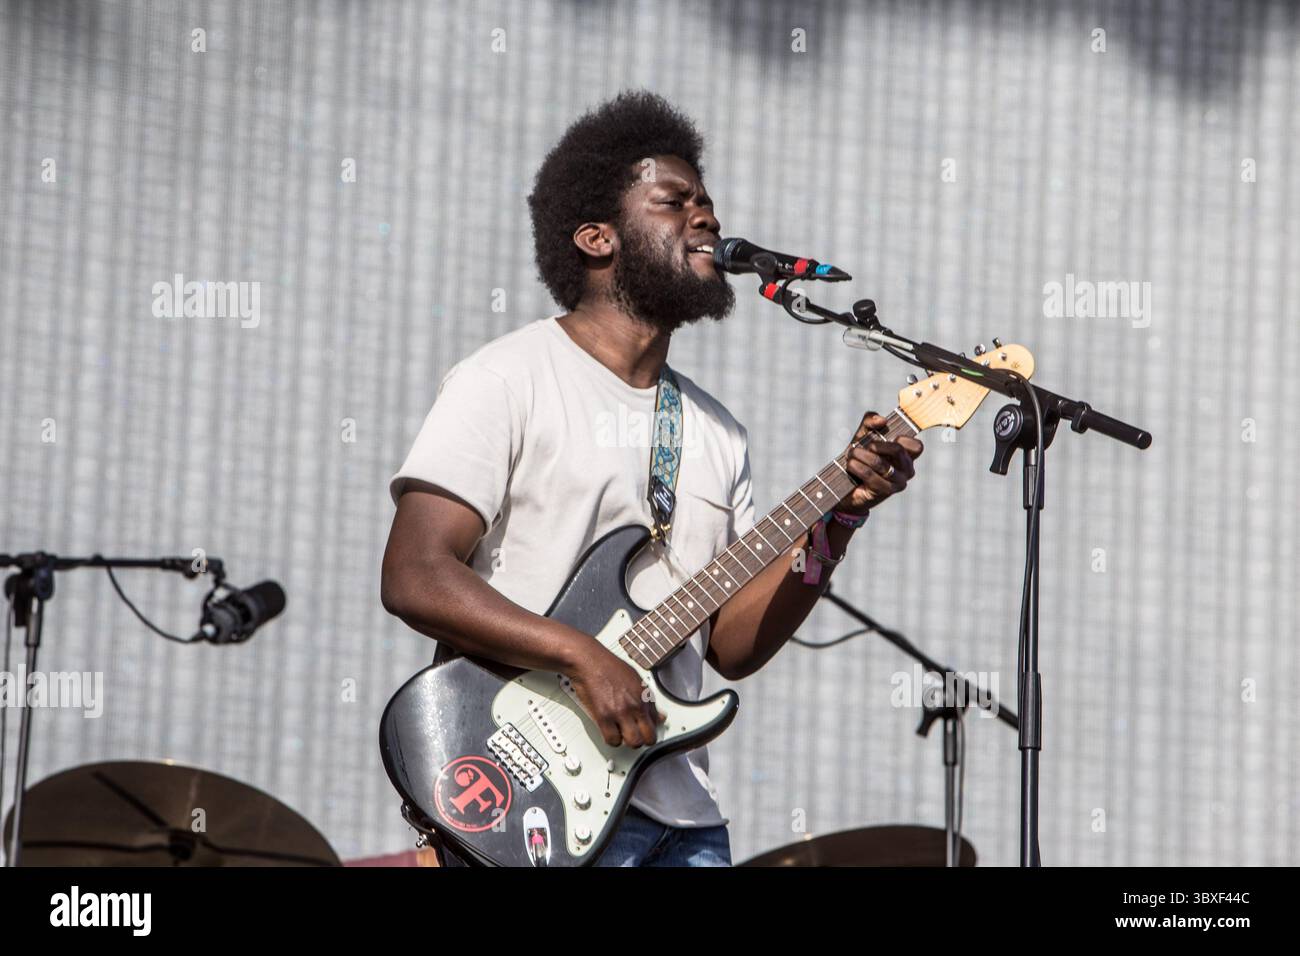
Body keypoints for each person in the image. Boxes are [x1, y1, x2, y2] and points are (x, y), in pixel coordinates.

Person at [380, 90, 923, 867]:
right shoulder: (507, 378)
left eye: (707, 202)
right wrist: (581, 654)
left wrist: (838, 519)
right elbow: (413, 575)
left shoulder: (716, 431)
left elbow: (731, 647)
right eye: (675, 202)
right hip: (529, 796)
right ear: (598, 238)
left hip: (684, 817)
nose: (705, 218)